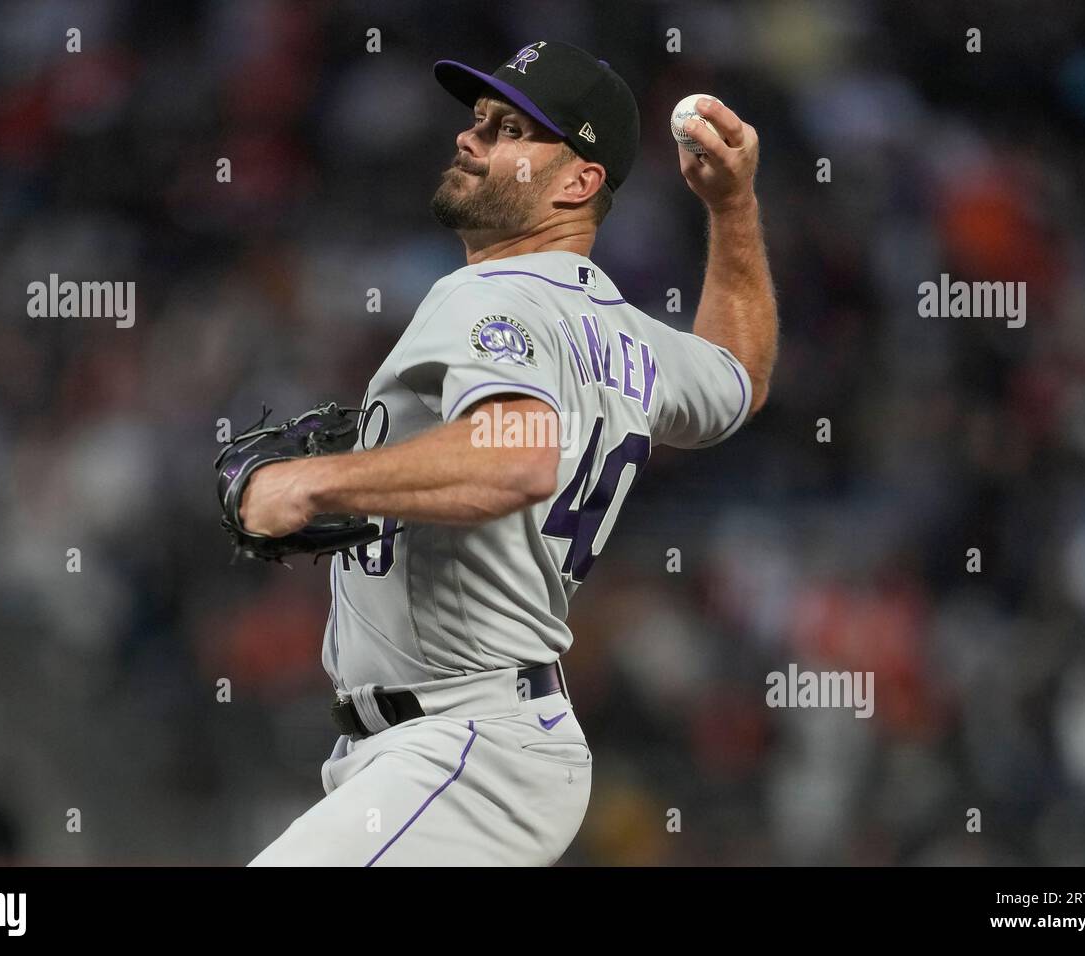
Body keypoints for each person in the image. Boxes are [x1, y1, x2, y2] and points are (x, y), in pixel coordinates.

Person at [244, 39, 777, 866]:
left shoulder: (489, 296)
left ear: (577, 182)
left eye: (508, 130)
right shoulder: (624, 335)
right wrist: (733, 210)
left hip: (463, 746)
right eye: (478, 120)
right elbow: (738, 377)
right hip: (475, 746)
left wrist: (311, 483)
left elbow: (519, 455)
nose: (471, 138)